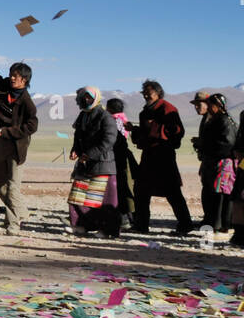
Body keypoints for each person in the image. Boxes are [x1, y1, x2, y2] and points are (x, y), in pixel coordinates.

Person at [0, 51, 38, 235]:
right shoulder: (5, 87)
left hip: (17, 146)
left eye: (16, 76)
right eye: (11, 74)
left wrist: (9, 131)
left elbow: (32, 125)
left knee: (12, 185)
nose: (12, 78)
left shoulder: (27, 101)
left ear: (24, 80)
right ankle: (19, 215)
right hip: (0, 143)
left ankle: (14, 221)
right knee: (0, 184)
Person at [131, 79, 195, 235]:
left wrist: (157, 130)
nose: (146, 95)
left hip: (163, 156)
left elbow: (178, 131)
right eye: (144, 92)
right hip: (148, 156)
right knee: (141, 190)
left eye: (149, 92)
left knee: (172, 191)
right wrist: (135, 130)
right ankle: (141, 224)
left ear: (158, 93)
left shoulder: (167, 109)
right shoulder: (145, 111)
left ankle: (185, 224)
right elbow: (146, 133)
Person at [67, 86, 120, 237]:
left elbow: (109, 140)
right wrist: (75, 149)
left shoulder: (105, 116)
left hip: (102, 163)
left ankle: (108, 231)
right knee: (78, 196)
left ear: (95, 98)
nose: (85, 100)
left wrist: (90, 154)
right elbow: (78, 136)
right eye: (83, 98)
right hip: (85, 163)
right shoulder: (82, 116)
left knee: (104, 200)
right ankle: (81, 226)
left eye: (88, 97)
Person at [191, 92, 237, 234]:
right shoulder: (214, 119)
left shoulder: (224, 120)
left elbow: (227, 144)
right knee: (212, 192)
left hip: (222, 163)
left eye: (211, 105)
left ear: (218, 106)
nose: (209, 108)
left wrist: (203, 144)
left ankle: (222, 225)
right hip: (213, 161)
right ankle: (212, 222)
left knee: (221, 194)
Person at [106, 97, 139, 225]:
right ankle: (131, 216)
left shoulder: (112, 121)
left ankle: (126, 216)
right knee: (126, 186)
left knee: (122, 186)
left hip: (117, 155)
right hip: (125, 154)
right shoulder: (123, 119)